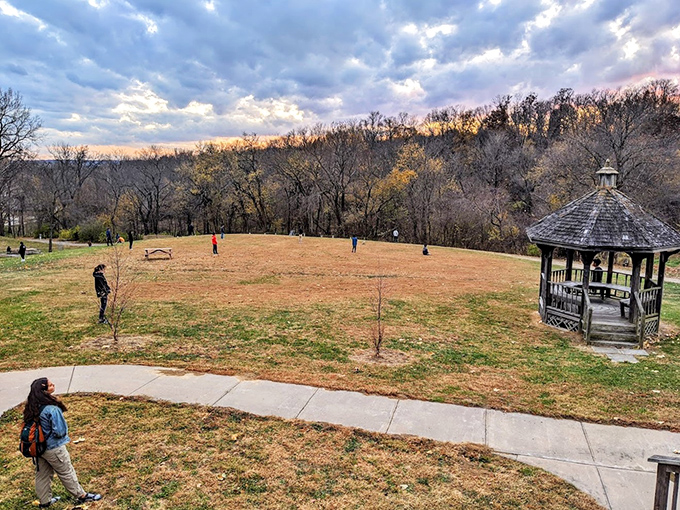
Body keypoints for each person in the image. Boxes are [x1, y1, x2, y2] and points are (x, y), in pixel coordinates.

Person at [23, 378, 101, 507]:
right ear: (44, 390)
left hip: (38, 448)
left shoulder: (32, 406)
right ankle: (81, 496)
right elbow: (59, 431)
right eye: (50, 384)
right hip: (53, 448)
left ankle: (45, 502)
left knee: (42, 475)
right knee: (66, 472)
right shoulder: (52, 409)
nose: (53, 384)